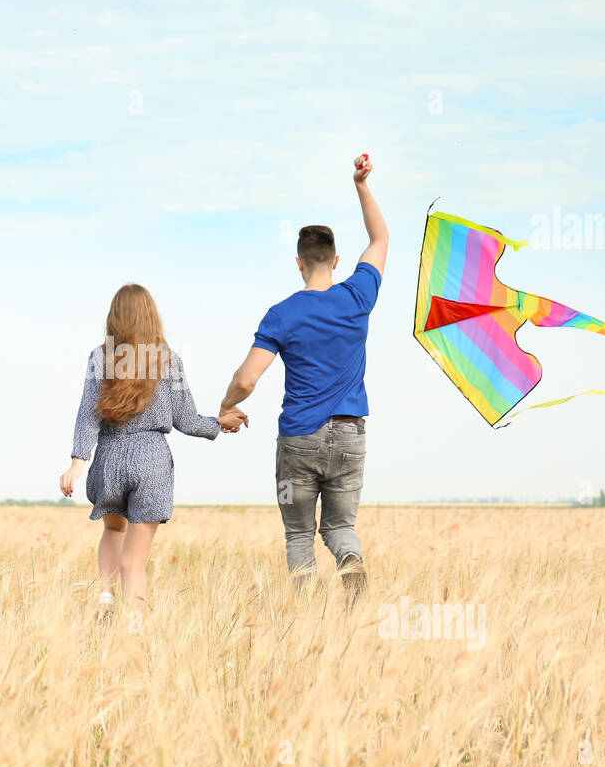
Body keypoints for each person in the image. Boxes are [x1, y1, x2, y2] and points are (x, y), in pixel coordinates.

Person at [217, 154, 388, 602]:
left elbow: (248, 379)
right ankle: (350, 565)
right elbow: (381, 237)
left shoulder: (283, 314)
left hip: (298, 441)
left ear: (298, 263)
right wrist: (361, 185)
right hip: (350, 434)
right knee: (341, 527)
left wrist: (225, 406)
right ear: (336, 260)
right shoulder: (358, 295)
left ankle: (307, 621)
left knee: (298, 535)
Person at [61, 284, 245, 622]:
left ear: (114, 318)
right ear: (152, 317)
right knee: (134, 563)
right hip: (152, 461)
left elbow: (87, 412)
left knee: (113, 530)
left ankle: (105, 594)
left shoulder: (100, 357)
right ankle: (134, 627)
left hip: (110, 457)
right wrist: (219, 423)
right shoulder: (168, 359)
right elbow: (186, 421)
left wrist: (76, 462)